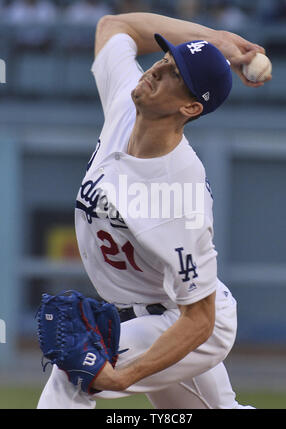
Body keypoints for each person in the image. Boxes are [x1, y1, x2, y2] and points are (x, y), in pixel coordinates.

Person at [37, 12, 270, 409]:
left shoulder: (178, 195)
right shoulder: (129, 102)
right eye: (165, 58)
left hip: (185, 321)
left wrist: (125, 376)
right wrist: (214, 37)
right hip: (147, 314)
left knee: (74, 380)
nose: (157, 69)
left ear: (191, 108)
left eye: (175, 74)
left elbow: (200, 318)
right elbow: (115, 27)